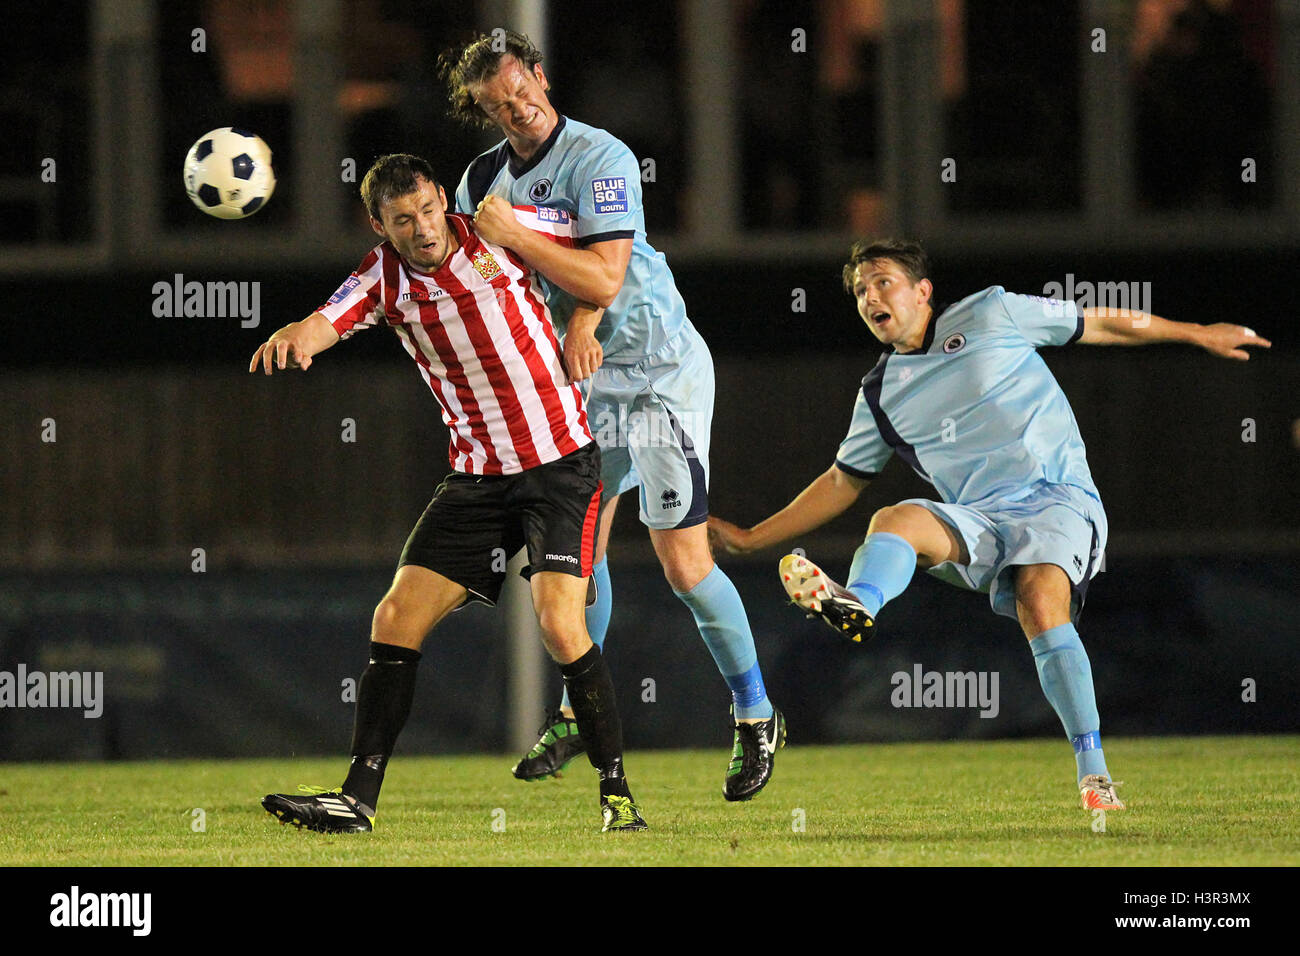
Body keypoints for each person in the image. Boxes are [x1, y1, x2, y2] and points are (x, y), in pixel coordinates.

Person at [709, 237, 1270, 812]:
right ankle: (859, 602)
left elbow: (1101, 323)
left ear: (922, 291)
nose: (870, 297)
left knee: (1038, 597)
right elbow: (840, 482)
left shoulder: (989, 312)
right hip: (978, 521)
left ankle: (1094, 775)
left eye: (883, 283)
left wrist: (1198, 332)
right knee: (894, 517)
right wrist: (751, 538)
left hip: (1056, 498)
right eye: (859, 291)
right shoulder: (879, 394)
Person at [252, 153, 647, 833]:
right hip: (476, 478)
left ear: (443, 201)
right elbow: (329, 318)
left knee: (559, 623)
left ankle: (617, 795)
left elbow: (602, 261)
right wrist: (300, 335)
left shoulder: (502, 229)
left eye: (431, 209)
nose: (424, 228)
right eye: (404, 219)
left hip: (559, 466)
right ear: (379, 224)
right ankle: (357, 799)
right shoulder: (381, 277)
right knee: (394, 618)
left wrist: (584, 319)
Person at [439, 31, 785, 801]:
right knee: (574, 557)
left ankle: (756, 713)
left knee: (683, 565)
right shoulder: (480, 182)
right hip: (581, 388)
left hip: (657, 372)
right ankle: (574, 710)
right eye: (499, 108)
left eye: (522, 91)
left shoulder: (601, 157)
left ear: (540, 74)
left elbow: (605, 272)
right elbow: (496, 291)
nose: (518, 110)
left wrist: (565, 295)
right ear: (484, 113)